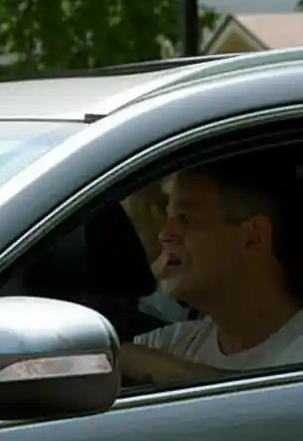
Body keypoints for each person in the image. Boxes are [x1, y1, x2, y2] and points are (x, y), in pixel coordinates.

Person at [119, 155, 303, 385]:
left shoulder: (155, 359)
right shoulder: (169, 344)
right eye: (168, 216)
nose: (165, 234)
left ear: (253, 237)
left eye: (187, 219)